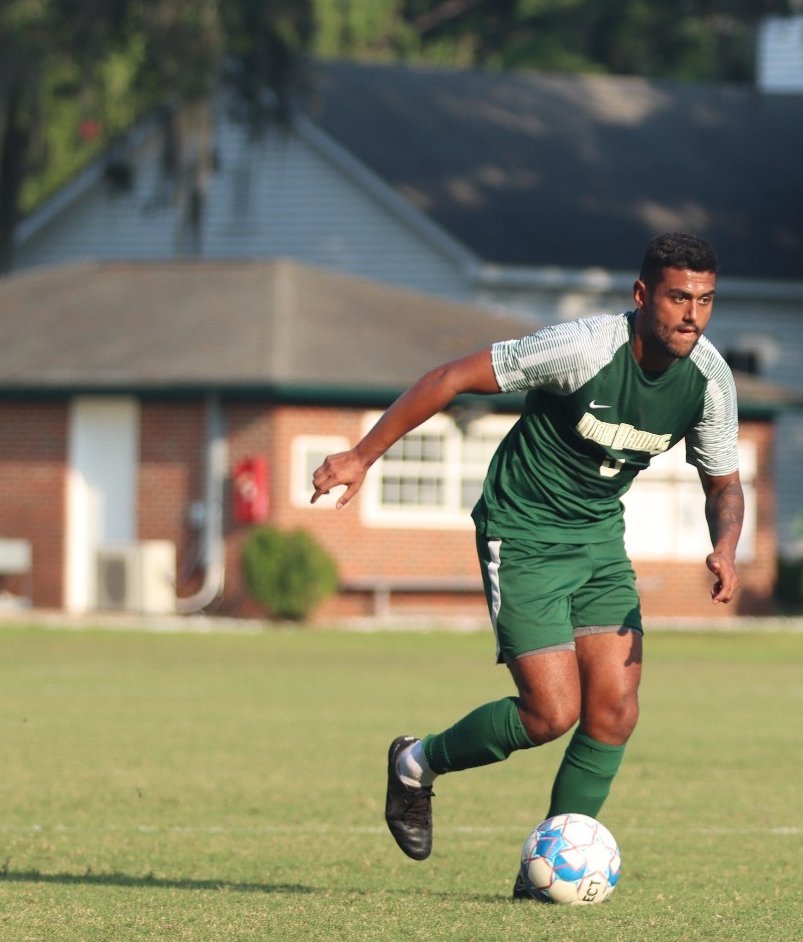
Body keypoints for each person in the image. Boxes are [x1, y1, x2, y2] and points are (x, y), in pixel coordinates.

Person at [309, 232, 743, 892]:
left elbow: (724, 483)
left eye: (706, 300)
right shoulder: (584, 348)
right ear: (642, 294)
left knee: (616, 710)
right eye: (679, 297)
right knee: (549, 711)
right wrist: (363, 455)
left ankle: (543, 876)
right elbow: (450, 377)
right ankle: (415, 763)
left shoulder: (709, 381)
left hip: (598, 539)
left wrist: (726, 547)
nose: (692, 315)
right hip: (523, 528)